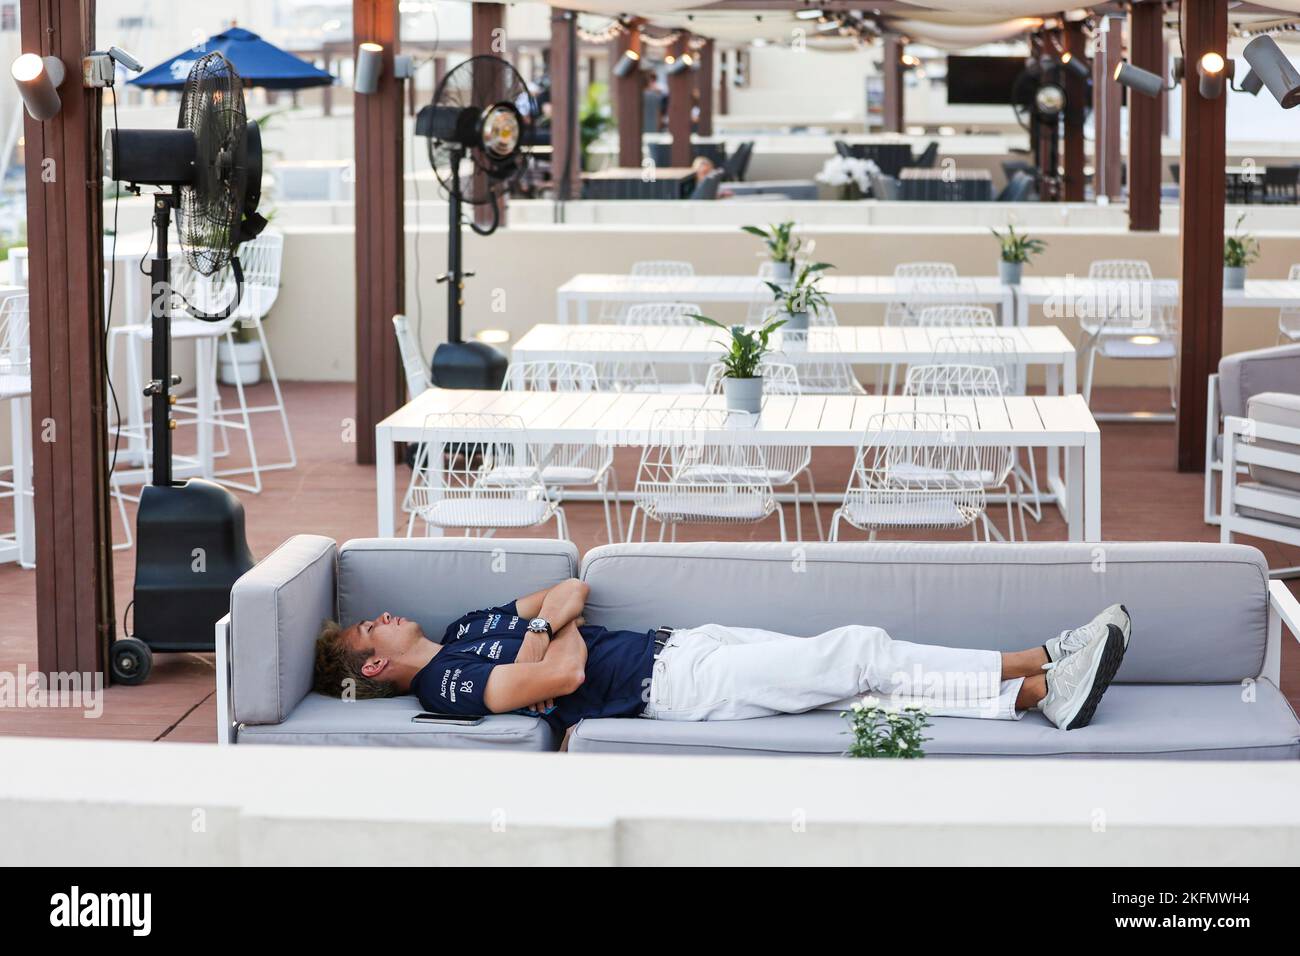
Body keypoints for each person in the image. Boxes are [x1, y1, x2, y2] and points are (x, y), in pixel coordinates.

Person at [313, 579, 1131, 733]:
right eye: (366, 632)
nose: (379, 619)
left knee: (854, 689)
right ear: (375, 666)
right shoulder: (450, 683)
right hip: (673, 688)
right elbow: (561, 676)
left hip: (686, 645)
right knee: (859, 651)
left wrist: (540, 629)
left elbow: (568, 587)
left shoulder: (463, 628)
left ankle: (1034, 695)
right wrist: (543, 638)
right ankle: (1041, 656)